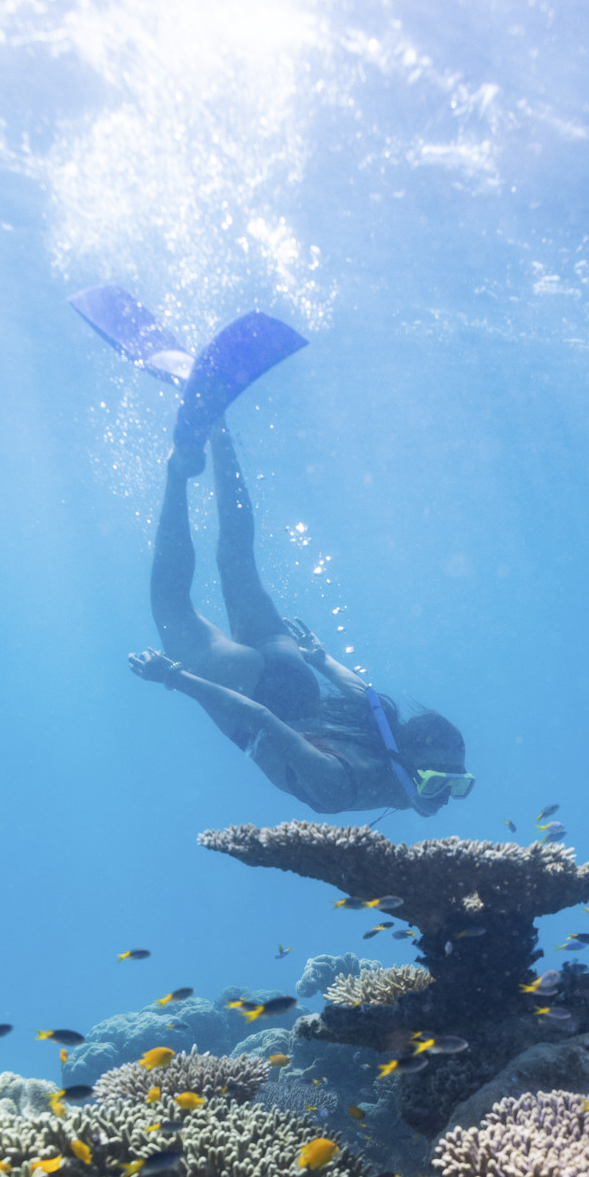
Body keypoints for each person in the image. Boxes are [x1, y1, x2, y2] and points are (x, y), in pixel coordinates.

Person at [125, 316, 472, 818]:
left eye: (458, 787)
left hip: (296, 675)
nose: (442, 798)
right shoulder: (341, 790)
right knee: (170, 604)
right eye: (442, 782)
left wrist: (319, 657)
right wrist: (174, 678)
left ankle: (217, 421)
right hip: (252, 691)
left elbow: (366, 694)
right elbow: (263, 719)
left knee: (237, 561)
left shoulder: (389, 744)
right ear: (416, 764)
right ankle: (179, 470)